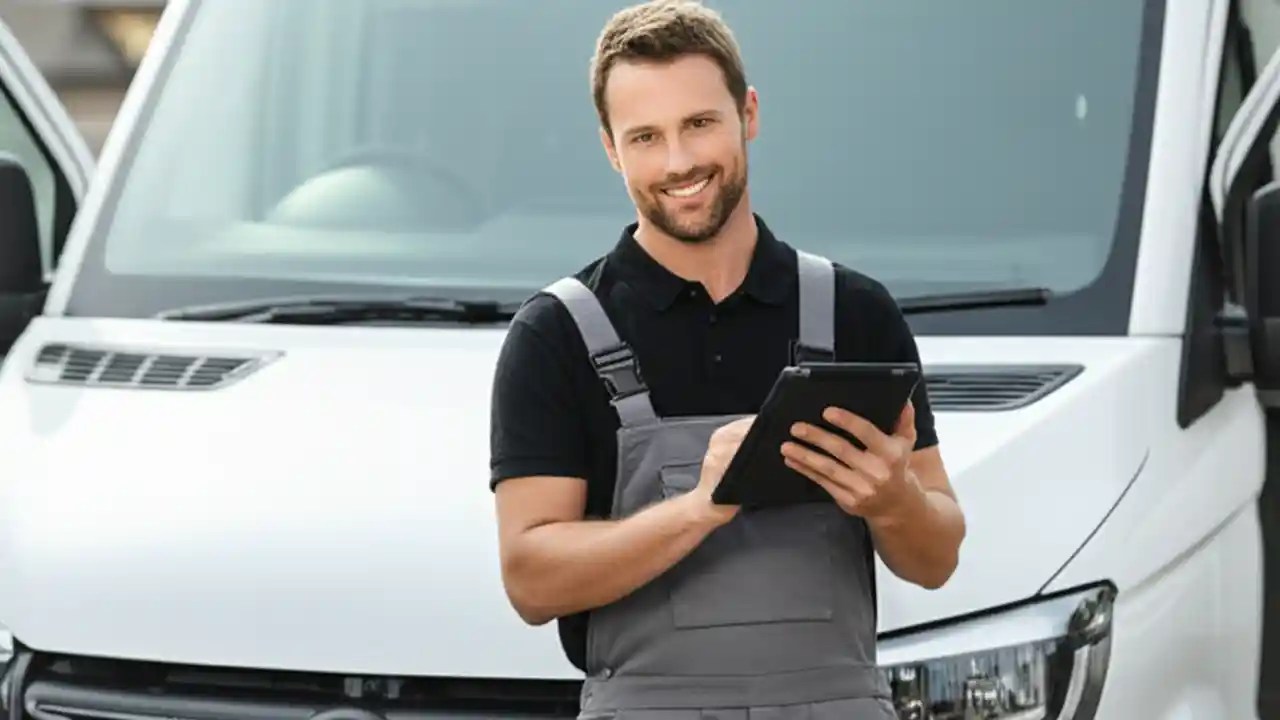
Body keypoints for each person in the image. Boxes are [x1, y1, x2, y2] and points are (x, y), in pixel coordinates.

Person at [489, 1, 966, 716]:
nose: (678, 162)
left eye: (699, 124)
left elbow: (938, 559)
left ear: (748, 113)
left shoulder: (855, 314)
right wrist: (702, 508)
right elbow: (530, 582)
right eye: (646, 137)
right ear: (611, 149)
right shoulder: (556, 336)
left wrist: (893, 500)